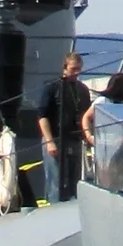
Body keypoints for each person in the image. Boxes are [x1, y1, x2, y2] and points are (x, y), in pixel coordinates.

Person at [39, 49, 95, 203]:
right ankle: (55, 211)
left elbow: (86, 115)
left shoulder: (82, 89)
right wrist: (49, 142)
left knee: (74, 181)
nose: (76, 73)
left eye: (78, 69)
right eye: (73, 69)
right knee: (56, 181)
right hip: (55, 138)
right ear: (65, 68)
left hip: (74, 139)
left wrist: (87, 136)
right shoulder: (52, 87)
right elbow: (42, 116)